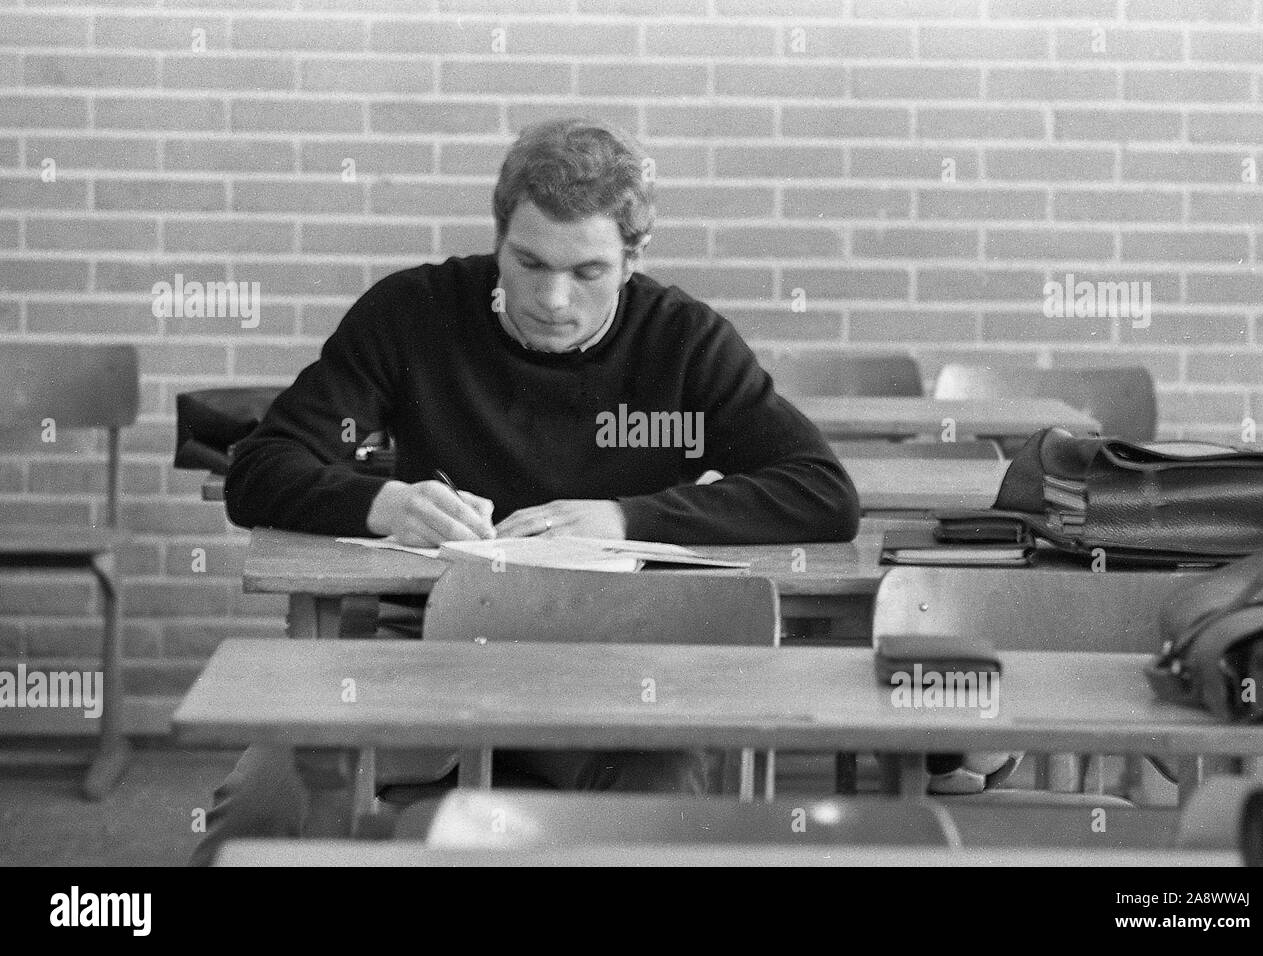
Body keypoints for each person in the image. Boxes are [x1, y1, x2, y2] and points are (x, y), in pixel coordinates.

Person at [192, 118, 859, 865]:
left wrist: (624, 516)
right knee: (261, 806)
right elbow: (259, 470)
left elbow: (821, 492)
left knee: (665, 818)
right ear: (498, 236)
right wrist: (384, 503)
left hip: (607, 660)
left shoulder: (683, 341)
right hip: (418, 652)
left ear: (635, 258)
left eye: (587, 273)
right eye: (528, 262)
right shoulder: (413, 314)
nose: (550, 297)